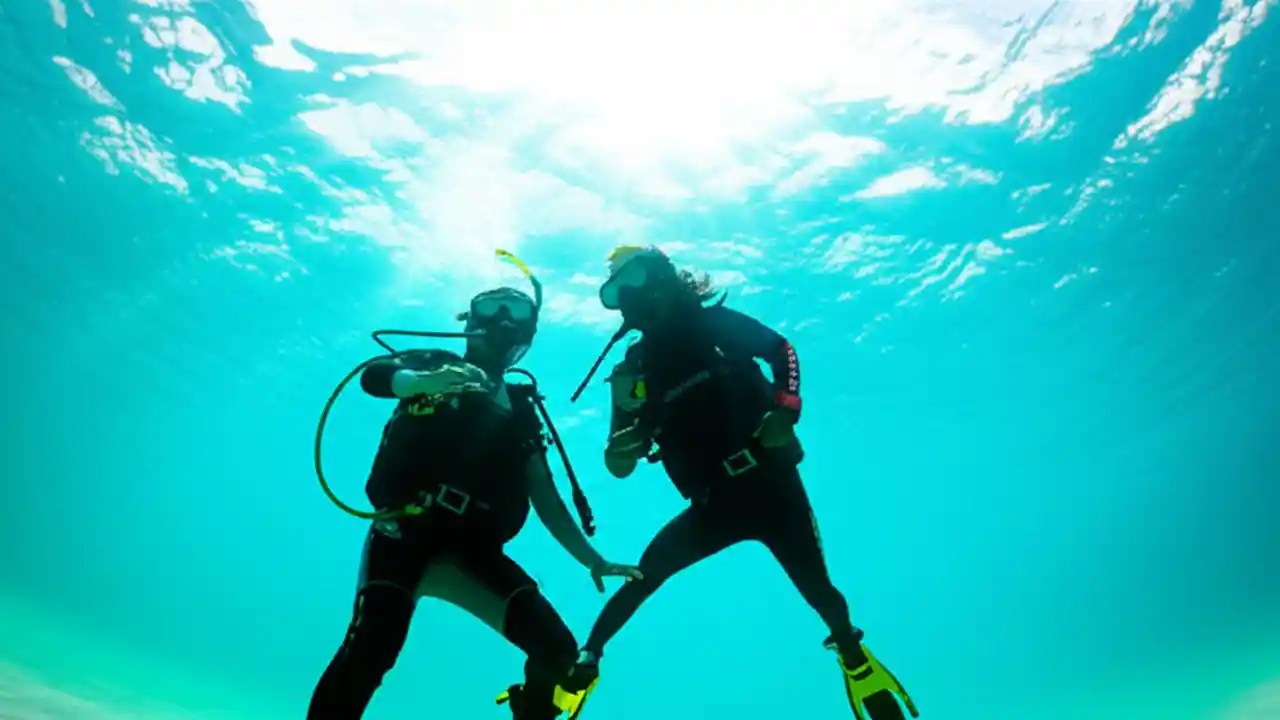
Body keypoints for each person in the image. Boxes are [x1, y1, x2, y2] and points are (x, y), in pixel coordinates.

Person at [564, 246, 917, 720]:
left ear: (666, 278)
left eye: (635, 278)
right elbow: (619, 463)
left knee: (820, 591)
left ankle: (854, 660)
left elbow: (781, 349)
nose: (628, 296)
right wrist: (621, 447)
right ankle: (586, 660)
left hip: (772, 485)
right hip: (712, 504)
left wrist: (787, 409)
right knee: (645, 576)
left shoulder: (715, 324)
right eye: (614, 291)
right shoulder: (635, 367)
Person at [308, 282, 642, 720]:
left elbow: (545, 494)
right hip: (404, 533)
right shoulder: (436, 364)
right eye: (491, 306)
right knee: (371, 648)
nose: (503, 319)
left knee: (557, 651)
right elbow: (375, 375)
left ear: (527, 334)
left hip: (476, 551)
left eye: (517, 312)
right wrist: (416, 382)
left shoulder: (523, 411)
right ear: (470, 320)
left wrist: (591, 559)